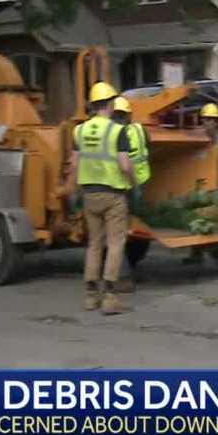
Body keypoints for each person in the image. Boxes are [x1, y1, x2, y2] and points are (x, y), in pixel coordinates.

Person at [69, 82, 134, 314]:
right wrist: (133, 180)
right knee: (116, 243)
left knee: (94, 244)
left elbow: (74, 164)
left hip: (89, 194)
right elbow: (125, 164)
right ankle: (109, 297)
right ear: (110, 104)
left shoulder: (79, 131)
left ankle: (89, 296)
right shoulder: (118, 131)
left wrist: (73, 191)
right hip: (113, 194)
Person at [182, 102, 218, 265]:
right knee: (198, 220)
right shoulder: (195, 136)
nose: (209, 123)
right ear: (201, 120)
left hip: (217, 185)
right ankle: (196, 253)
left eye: (212, 119)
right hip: (199, 187)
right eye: (206, 119)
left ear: (217, 121)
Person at [111, 96, 150, 291]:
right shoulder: (140, 129)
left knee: (118, 231)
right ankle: (132, 263)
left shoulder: (115, 134)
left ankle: (124, 275)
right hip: (140, 182)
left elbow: (122, 164)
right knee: (136, 227)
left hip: (124, 185)